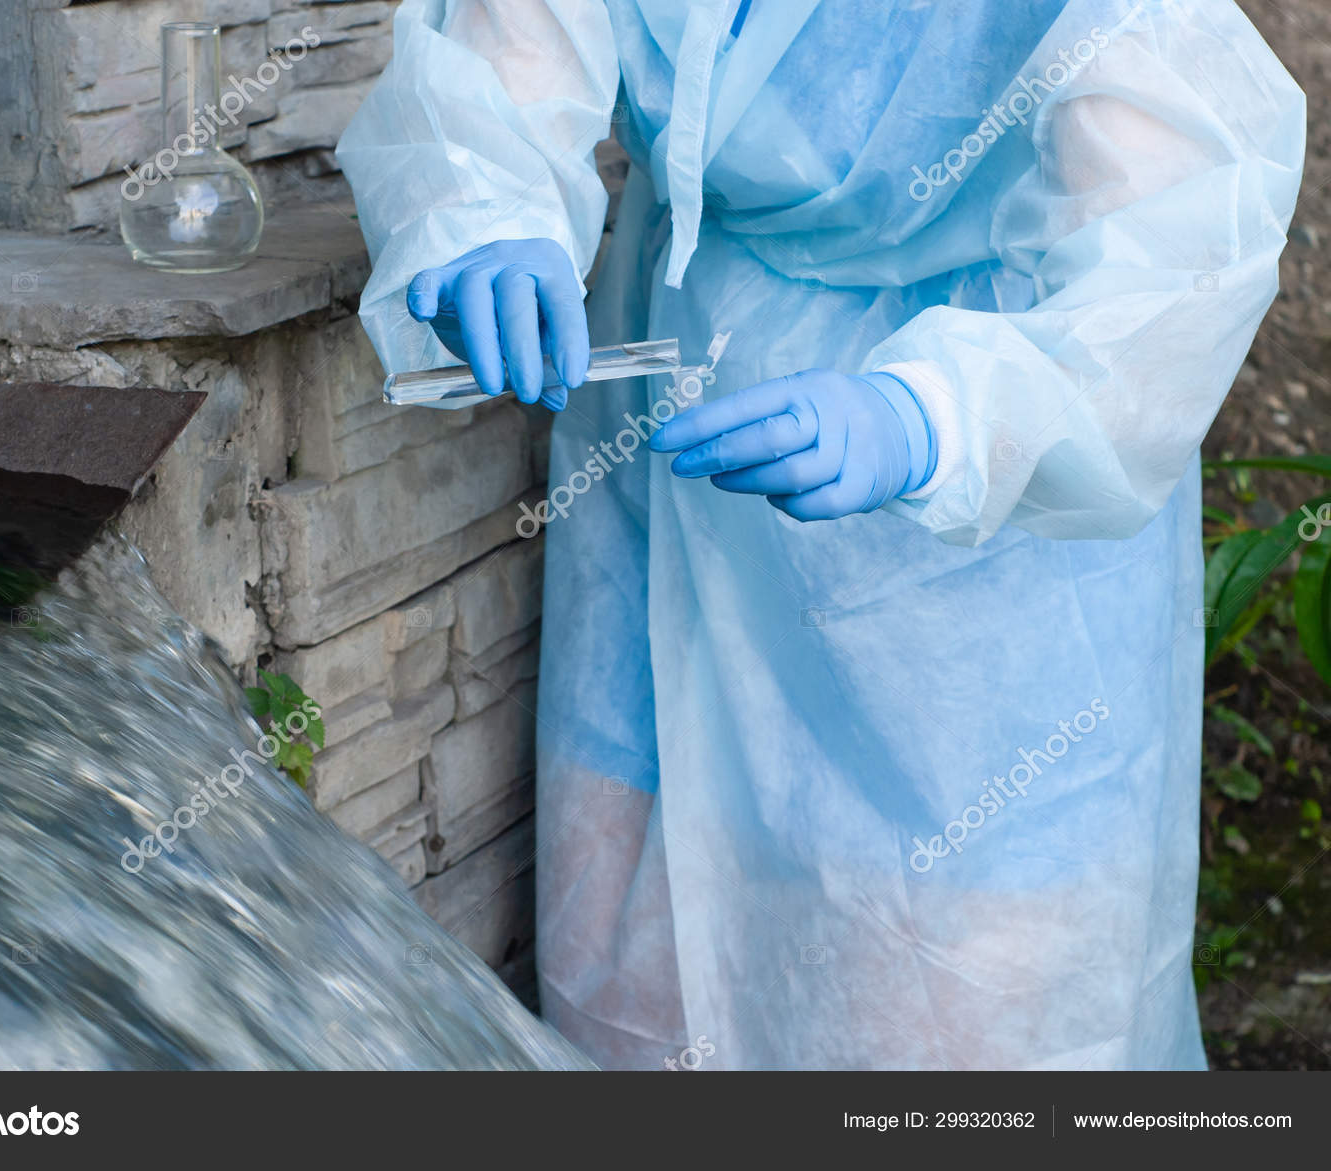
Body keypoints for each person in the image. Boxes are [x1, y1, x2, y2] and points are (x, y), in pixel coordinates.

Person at [337, 0, 1305, 1069]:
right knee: (648, 983)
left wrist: (936, 418)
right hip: (671, 431)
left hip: (984, 545)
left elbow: (1181, 234)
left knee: (957, 1012)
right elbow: (502, 51)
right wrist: (482, 210)